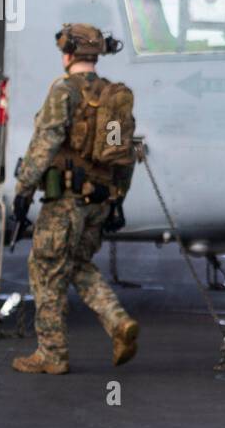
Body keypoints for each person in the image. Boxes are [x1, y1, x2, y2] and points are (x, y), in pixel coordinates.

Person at [10, 24, 140, 374]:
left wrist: (23, 190)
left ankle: (52, 354)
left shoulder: (64, 91)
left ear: (68, 54)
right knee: (78, 264)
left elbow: (45, 142)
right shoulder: (114, 95)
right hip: (99, 201)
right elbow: (126, 155)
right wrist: (117, 200)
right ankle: (118, 322)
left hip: (64, 201)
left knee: (46, 270)